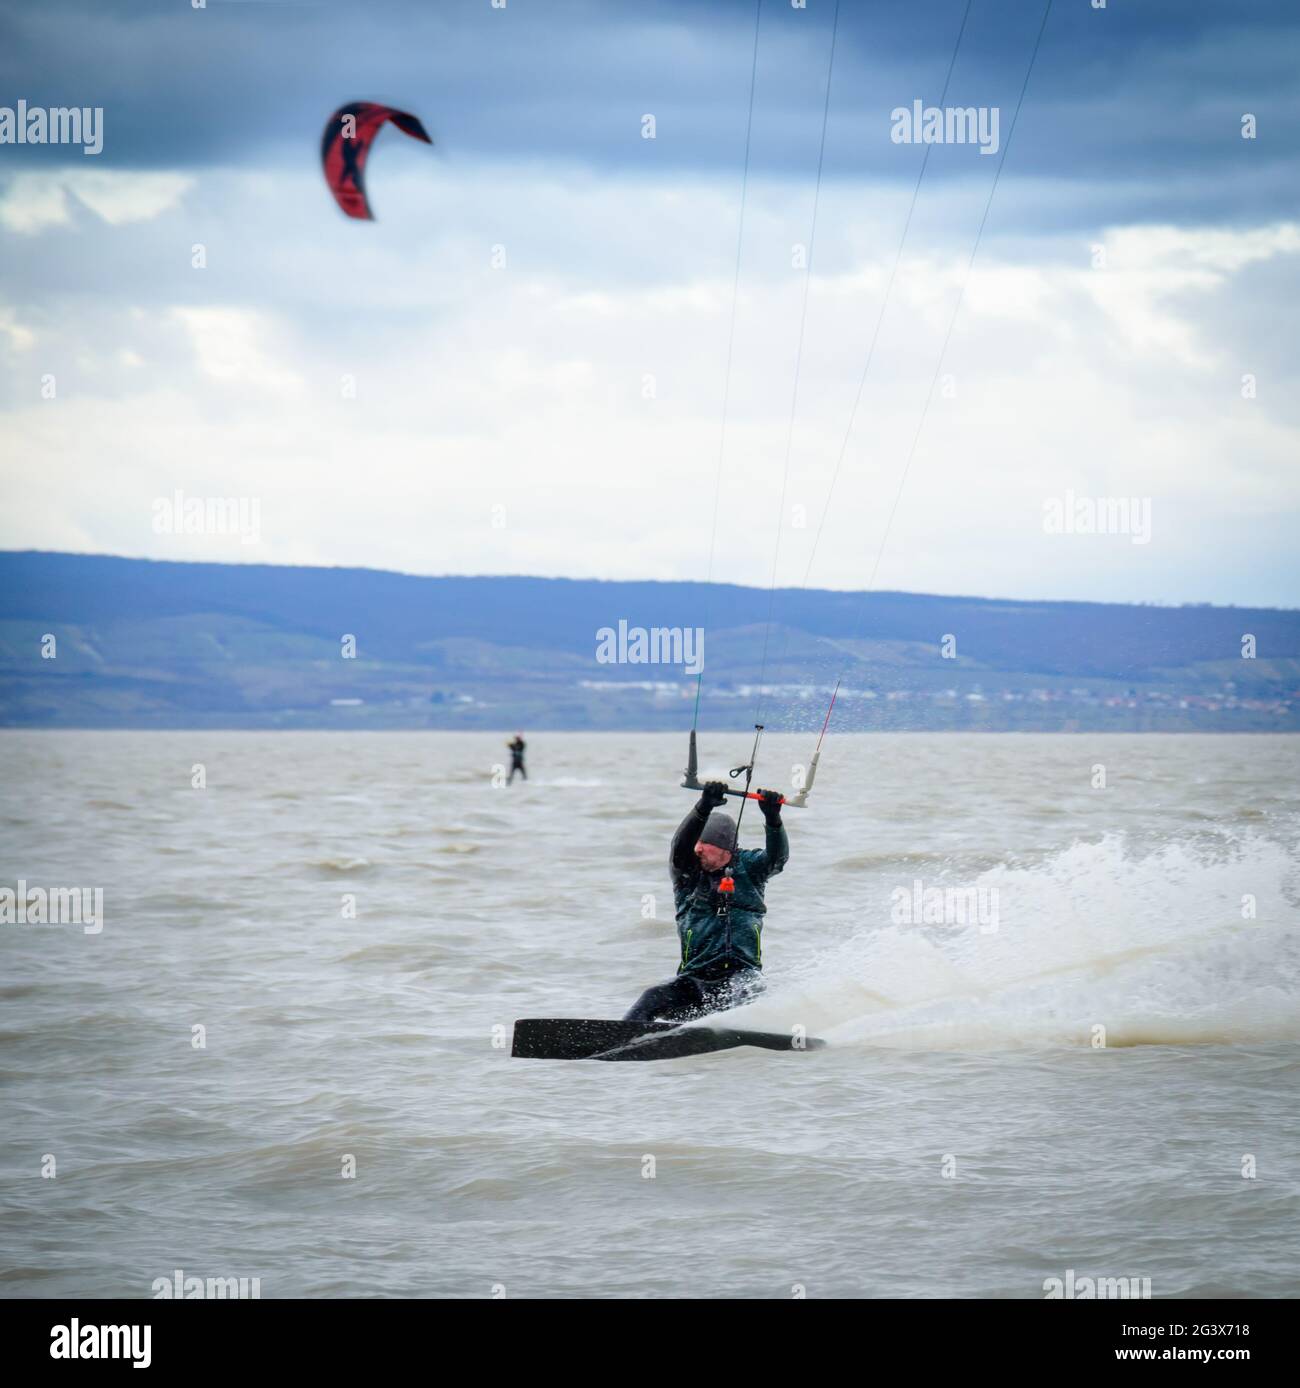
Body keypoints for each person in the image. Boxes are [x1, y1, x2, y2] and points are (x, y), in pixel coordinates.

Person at [624, 779, 788, 1024]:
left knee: (745, 989)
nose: (698, 849)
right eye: (697, 844)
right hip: (695, 981)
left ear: (726, 850)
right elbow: (679, 846)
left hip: (742, 975)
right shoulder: (687, 873)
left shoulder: (750, 868)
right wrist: (703, 807)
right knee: (652, 996)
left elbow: (777, 859)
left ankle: (739, 1031)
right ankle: (618, 1038)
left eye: (706, 844)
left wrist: (773, 820)